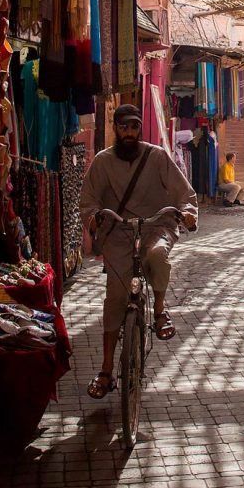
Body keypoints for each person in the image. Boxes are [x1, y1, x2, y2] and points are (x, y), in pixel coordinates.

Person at [79, 104, 197, 399]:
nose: (129, 133)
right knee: (116, 298)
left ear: (139, 128)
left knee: (156, 255)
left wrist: (188, 211)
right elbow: (88, 200)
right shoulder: (103, 162)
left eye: (133, 127)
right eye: (123, 127)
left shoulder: (156, 156)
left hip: (155, 227)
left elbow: (184, 193)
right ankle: (106, 369)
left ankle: (159, 309)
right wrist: (93, 217)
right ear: (116, 129)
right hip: (118, 232)